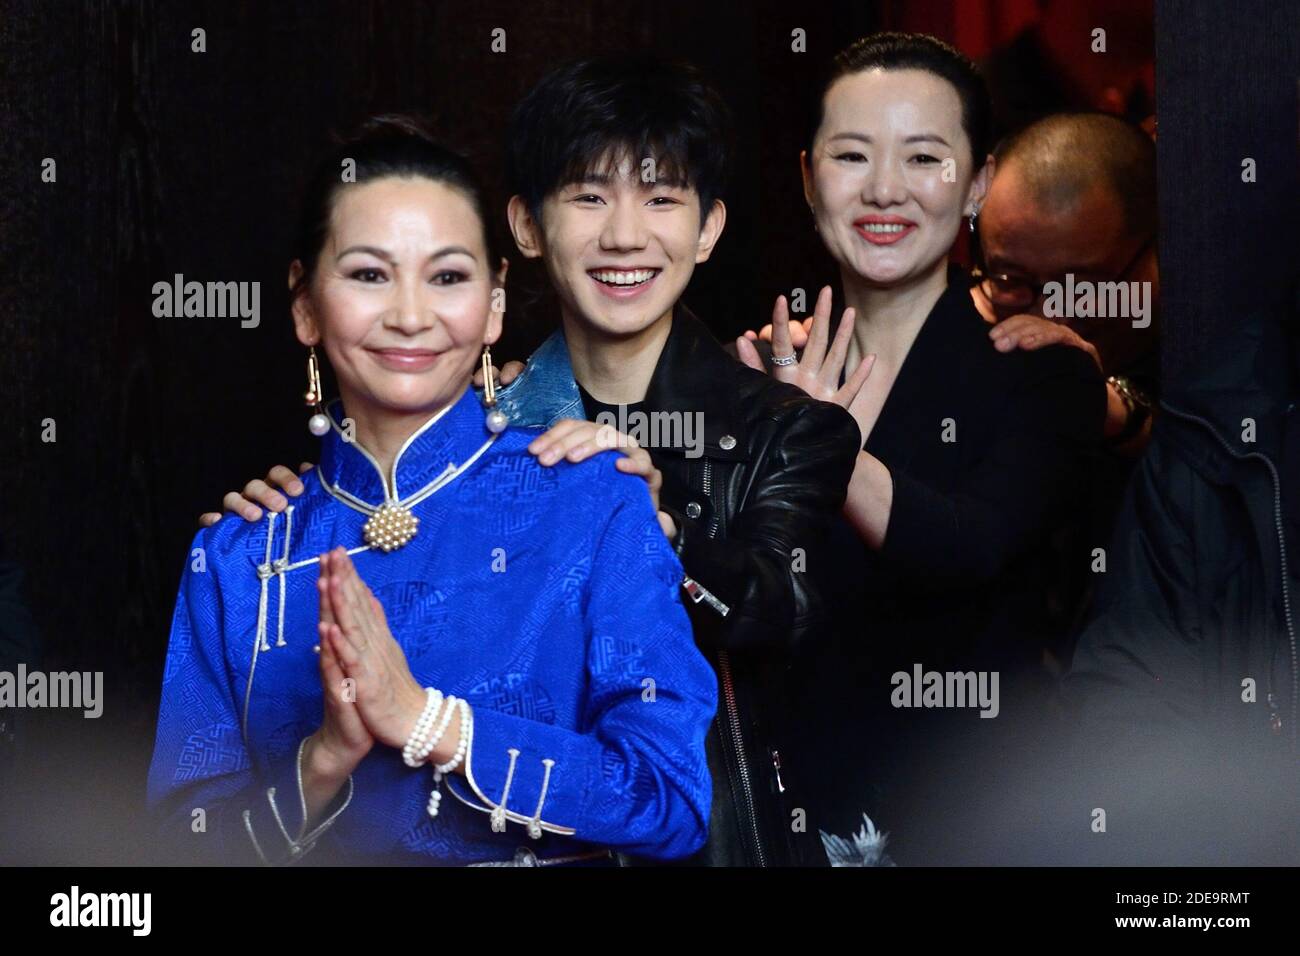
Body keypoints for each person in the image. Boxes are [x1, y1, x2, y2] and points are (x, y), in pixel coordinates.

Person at [200, 58, 860, 867]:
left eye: (661, 198)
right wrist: (293, 519)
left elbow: (786, 615)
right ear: (526, 225)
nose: (624, 235)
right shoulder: (476, 420)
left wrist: (652, 528)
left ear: (708, 227)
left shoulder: (776, 432)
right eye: (588, 196)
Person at [147, 116, 718, 866]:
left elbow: (670, 800)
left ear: (495, 303)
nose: (411, 316)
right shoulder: (234, 555)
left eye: (447, 277)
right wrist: (321, 763)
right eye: (368, 275)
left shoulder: (593, 500)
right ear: (305, 305)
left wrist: (429, 722)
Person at [734, 32, 1106, 864]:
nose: (884, 189)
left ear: (977, 183)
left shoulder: (1040, 373)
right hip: (785, 825)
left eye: (924, 157)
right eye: (852, 155)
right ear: (808, 176)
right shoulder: (752, 373)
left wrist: (820, 441)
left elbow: (972, 546)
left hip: (980, 824)